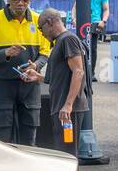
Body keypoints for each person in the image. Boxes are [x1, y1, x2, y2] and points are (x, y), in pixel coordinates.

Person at [0, 0, 51, 145]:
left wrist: (37, 65)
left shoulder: (37, 20)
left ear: (30, 0)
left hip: (30, 86)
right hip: (2, 84)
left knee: (30, 130)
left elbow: (45, 52)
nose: (20, 3)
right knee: (3, 131)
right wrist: (6, 53)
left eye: (25, 0)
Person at [38, 8, 90, 155]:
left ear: (49, 22)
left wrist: (68, 105)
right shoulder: (61, 41)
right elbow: (62, 76)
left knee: (67, 153)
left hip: (67, 111)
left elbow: (78, 71)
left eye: (41, 27)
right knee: (63, 152)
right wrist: (38, 77)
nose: (41, 32)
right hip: (63, 109)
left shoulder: (67, 39)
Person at [87, 0, 110, 82]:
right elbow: (75, 7)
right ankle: (83, 72)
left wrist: (103, 21)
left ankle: (91, 73)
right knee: (82, 48)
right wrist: (73, 18)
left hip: (95, 22)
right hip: (83, 23)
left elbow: (106, 9)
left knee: (93, 48)